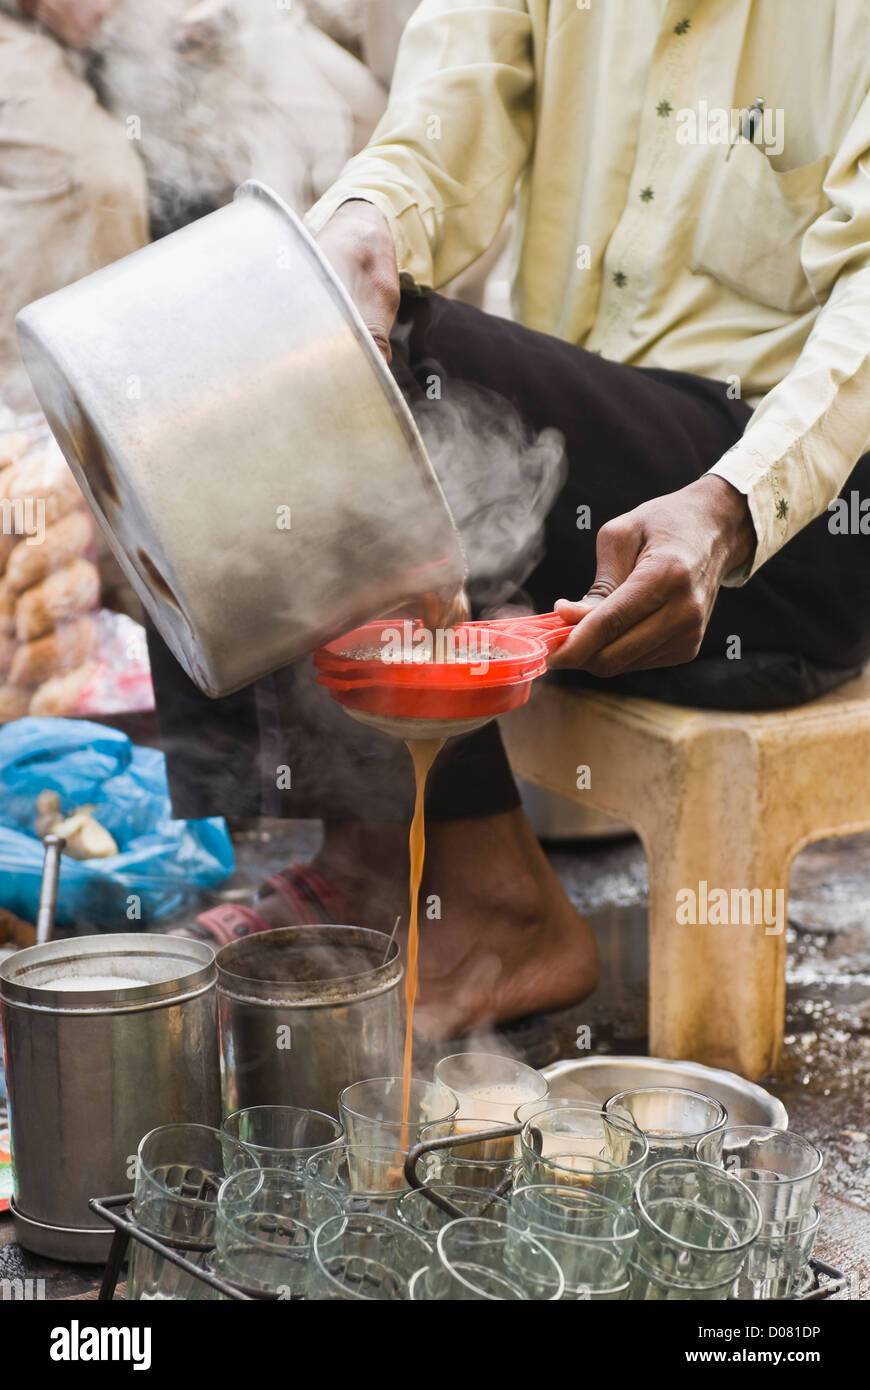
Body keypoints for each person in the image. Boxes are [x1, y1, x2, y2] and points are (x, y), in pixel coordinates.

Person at [156, 0, 870, 1041]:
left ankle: (484, 901)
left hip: (794, 514)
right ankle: (378, 863)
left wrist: (729, 509)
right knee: (278, 322)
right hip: (579, 480)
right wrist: (367, 228)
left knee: (394, 373)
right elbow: (452, 113)